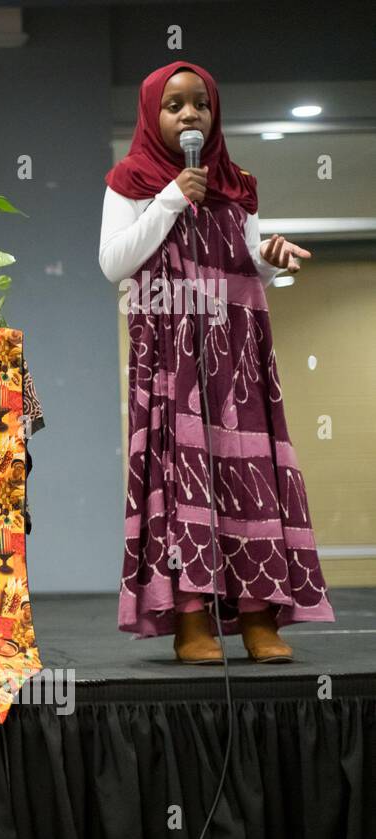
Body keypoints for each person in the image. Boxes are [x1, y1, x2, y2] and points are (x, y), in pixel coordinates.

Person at [100, 61, 333, 663]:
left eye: (199, 104)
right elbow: (113, 263)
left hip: (235, 348)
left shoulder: (238, 180)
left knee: (244, 472)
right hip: (169, 349)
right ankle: (191, 617)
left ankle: (258, 613)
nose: (189, 116)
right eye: (174, 105)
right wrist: (170, 199)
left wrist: (269, 257)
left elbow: (242, 258)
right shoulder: (130, 178)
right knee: (182, 474)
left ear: (214, 111)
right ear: (152, 114)